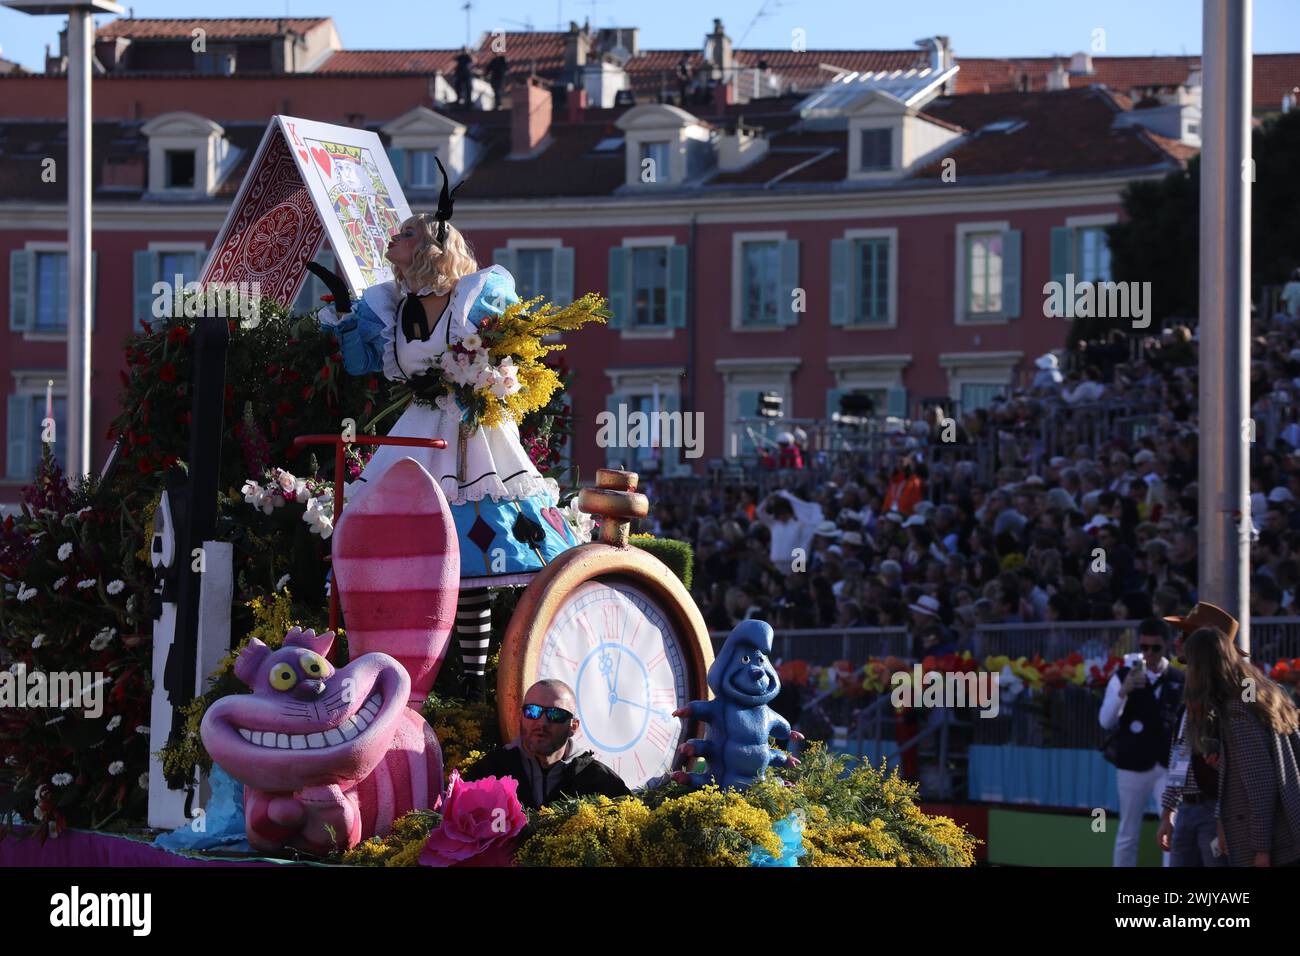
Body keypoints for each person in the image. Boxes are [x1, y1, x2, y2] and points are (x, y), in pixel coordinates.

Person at [320, 165, 579, 701]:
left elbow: (510, 349)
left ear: (434, 246)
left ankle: (484, 682)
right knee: (411, 547)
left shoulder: (472, 300)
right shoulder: (389, 307)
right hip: (419, 429)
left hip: (469, 432)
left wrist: (483, 380)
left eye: (406, 233)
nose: (394, 239)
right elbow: (363, 363)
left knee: (477, 553)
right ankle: (412, 680)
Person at [1180, 627, 1300, 867]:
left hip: (1277, 844)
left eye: (1189, 664)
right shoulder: (1263, 693)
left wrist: (1261, 850)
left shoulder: (1238, 710)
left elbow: (1259, 785)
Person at [462, 679, 631, 809]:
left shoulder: (601, 781)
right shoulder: (489, 772)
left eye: (555, 714)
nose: (541, 723)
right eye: (532, 711)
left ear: (574, 726)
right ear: (520, 716)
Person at [1157, 602, 1237, 867]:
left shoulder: (1231, 705)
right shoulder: (1190, 700)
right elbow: (1179, 756)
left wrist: (1221, 817)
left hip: (1214, 811)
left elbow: (1235, 771)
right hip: (1188, 810)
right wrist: (1168, 812)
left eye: (1186, 636)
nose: (1178, 642)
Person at [1099, 618, 1184, 867]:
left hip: (1167, 764)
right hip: (1132, 763)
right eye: (1144, 647)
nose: (1148, 654)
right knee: (1128, 831)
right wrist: (1123, 691)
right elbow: (1105, 720)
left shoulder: (1178, 678)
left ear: (1166, 646)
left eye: (1155, 648)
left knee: (1171, 830)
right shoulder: (1123, 675)